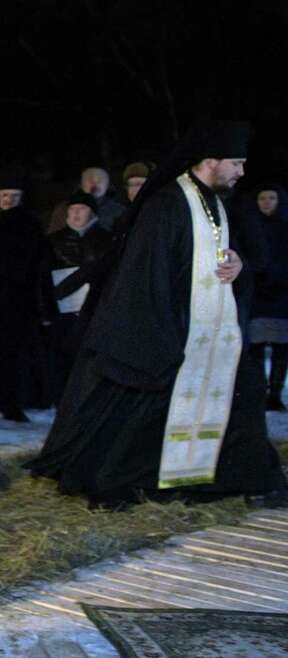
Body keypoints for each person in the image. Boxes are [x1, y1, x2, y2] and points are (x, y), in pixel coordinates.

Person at [27, 121, 287, 508]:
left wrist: (239, 263)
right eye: (236, 163)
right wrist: (166, 328)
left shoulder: (215, 202)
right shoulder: (166, 203)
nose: (242, 172)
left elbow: (226, 257)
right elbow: (145, 273)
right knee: (144, 406)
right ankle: (126, 480)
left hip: (212, 328)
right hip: (167, 325)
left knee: (244, 390)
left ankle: (248, 480)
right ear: (211, 161)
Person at [0, 174, 52, 421]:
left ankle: (11, 404)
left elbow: (39, 264)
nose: (8, 200)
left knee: (14, 355)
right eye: (4, 195)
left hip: (19, 299)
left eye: (14, 196)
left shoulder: (30, 224)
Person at [46, 190, 112, 398]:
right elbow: (43, 277)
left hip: (96, 309)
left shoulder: (107, 240)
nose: (76, 213)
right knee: (64, 356)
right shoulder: (53, 241)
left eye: (81, 209)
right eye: (72, 209)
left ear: (92, 213)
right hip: (63, 310)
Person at [248, 181, 288, 410]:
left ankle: (275, 393)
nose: (267, 203)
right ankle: (258, 392)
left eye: (271, 198)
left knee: (282, 349)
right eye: (262, 198)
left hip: (282, 296)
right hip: (258, 295)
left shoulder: (285, 226)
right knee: (256, 348)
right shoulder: (252, 226)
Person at [48, 167, 127, 232]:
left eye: (100, 179)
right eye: (89, 179)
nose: (95, 183)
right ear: (81, 184)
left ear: (108, 185)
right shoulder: (63, 209)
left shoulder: (118, 211)